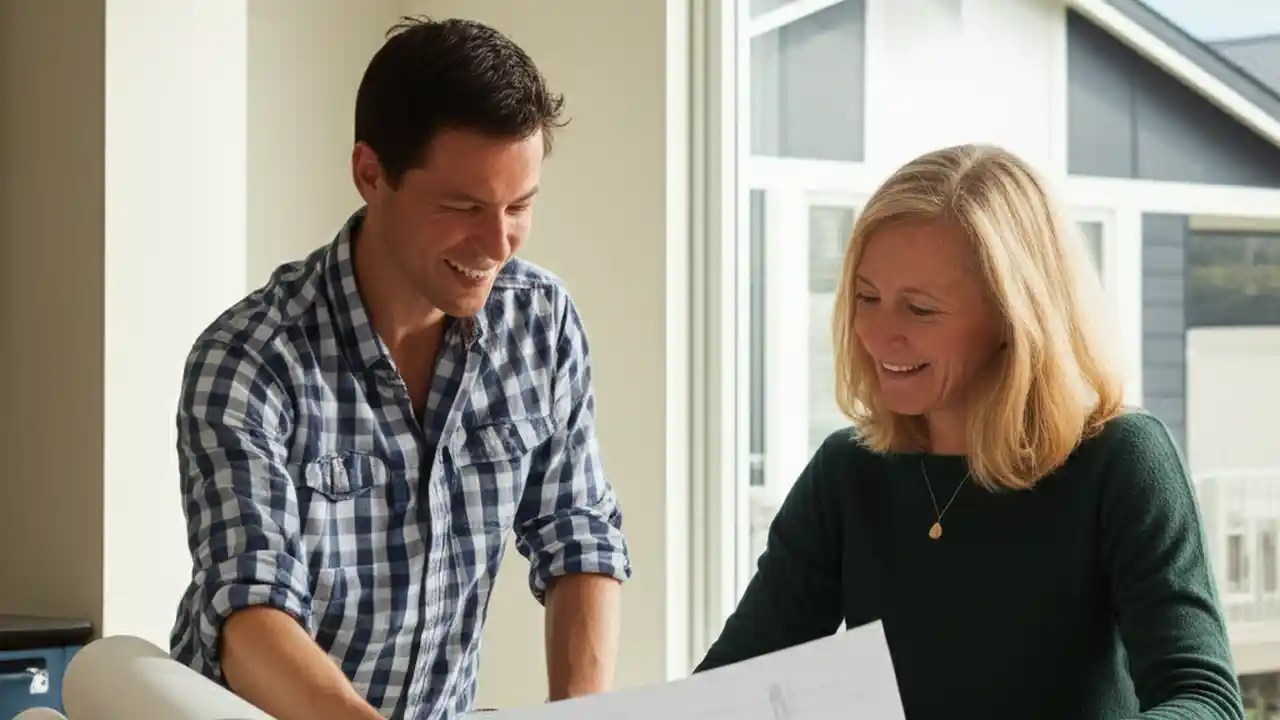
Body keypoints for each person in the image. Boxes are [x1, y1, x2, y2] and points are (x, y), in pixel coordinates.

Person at [169, 17, 631, 720]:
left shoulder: (540, 323)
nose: (497, 242)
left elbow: (579, 535)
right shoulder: (250, 361)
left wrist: (579, 713)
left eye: (520, 206)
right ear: (369, 174)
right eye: (463, 208)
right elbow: (249, 612)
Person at [696, 144, 1244, 718]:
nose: (879, 336)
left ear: (1014, 318)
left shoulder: (1120, 459)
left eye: (920, 309)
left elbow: (1204, 700)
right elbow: (730, 688)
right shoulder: (848, 470)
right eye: (867, 298)